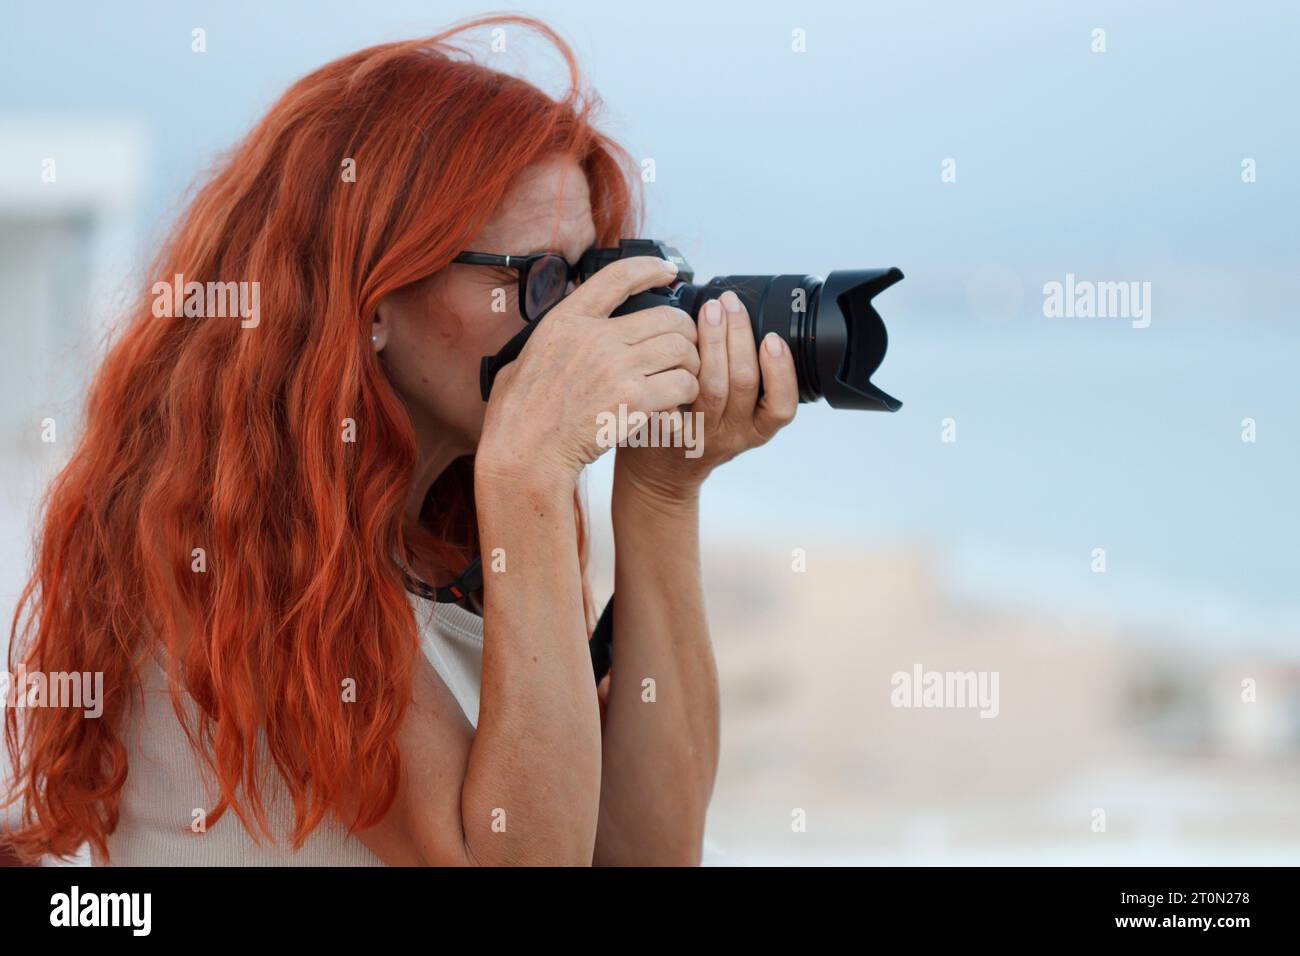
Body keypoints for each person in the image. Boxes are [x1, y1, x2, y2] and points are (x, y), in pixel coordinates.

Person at [3, 15, 796, 866]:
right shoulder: (240, 550)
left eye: (590, 276)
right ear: (374, 295)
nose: (574, 325)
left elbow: (647, 855)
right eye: (541, 280)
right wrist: (527, 476)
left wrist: (660, 493)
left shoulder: (434, 554)